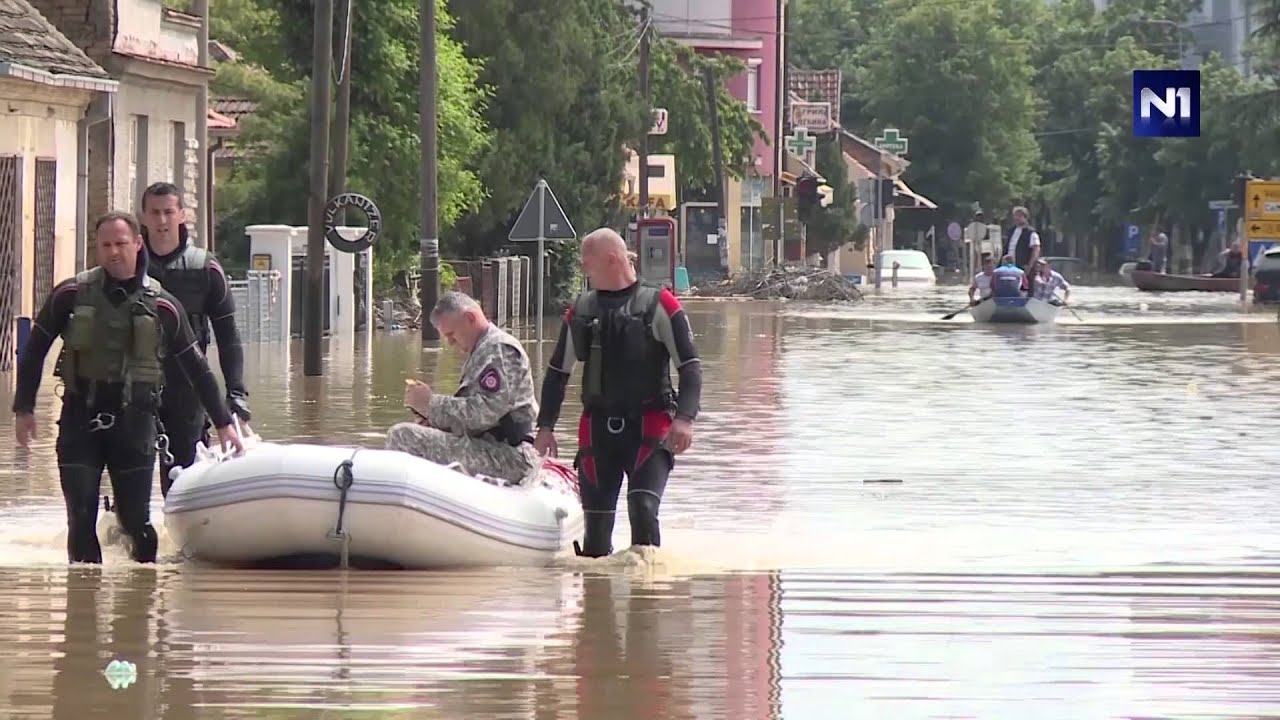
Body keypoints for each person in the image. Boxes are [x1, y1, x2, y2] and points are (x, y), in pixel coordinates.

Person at [12, 211, 244, 564]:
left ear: (138, 243)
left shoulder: (163, 304)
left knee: (139, 524)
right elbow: (34, 351)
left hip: (134, 423)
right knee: (80, 519)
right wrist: (24, 408)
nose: (113, 252)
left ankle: (140, 599)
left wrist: (225, 423)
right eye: (105, 245)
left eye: (121, 244)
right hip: (80, 419)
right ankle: (83, 607)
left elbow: (197, 368)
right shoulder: (71, 294)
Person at [534, 228, 702, 558]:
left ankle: (647, 600)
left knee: (641, 508)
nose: (582, 267)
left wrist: (685, 419)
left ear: (611, 259)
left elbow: (690, 366)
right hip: (597, 428)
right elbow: (557, 374)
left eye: (587, 261)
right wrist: (546, 427)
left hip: (650, 425)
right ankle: (596, 603)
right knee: (595, 535)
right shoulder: (581, 310)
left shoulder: (660, 305)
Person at [139, 182, 250, 497]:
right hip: (134, 389)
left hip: (187, 390)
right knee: (132, 482)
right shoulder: (125, 266)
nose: (162, 221)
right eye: (155, 213)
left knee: (182, 486)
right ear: (143, 217)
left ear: (181, 215)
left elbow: (228, 337)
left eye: (168, 212)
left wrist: (236, 395)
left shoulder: (206, 268)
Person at [387, 291, 540, 482]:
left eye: (451, 334)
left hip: (510, 457)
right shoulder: (483, 351)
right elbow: (475, 416)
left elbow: (487, 411)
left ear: (470, 317)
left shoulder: (498, 349)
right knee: (412, 432)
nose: (450, 342)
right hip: (491, 448)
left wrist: (431, 404)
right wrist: (433, 419)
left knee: (403, 435)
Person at [1005, 205, 1041, 277]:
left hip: (1023, 268)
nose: (1016, 218)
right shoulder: (1011, 231)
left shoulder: (1031, 232)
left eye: (1019, 216)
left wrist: (1029, 266)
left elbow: (1036, 250)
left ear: (1025, 217)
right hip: (1010, 268)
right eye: (1015, 216)